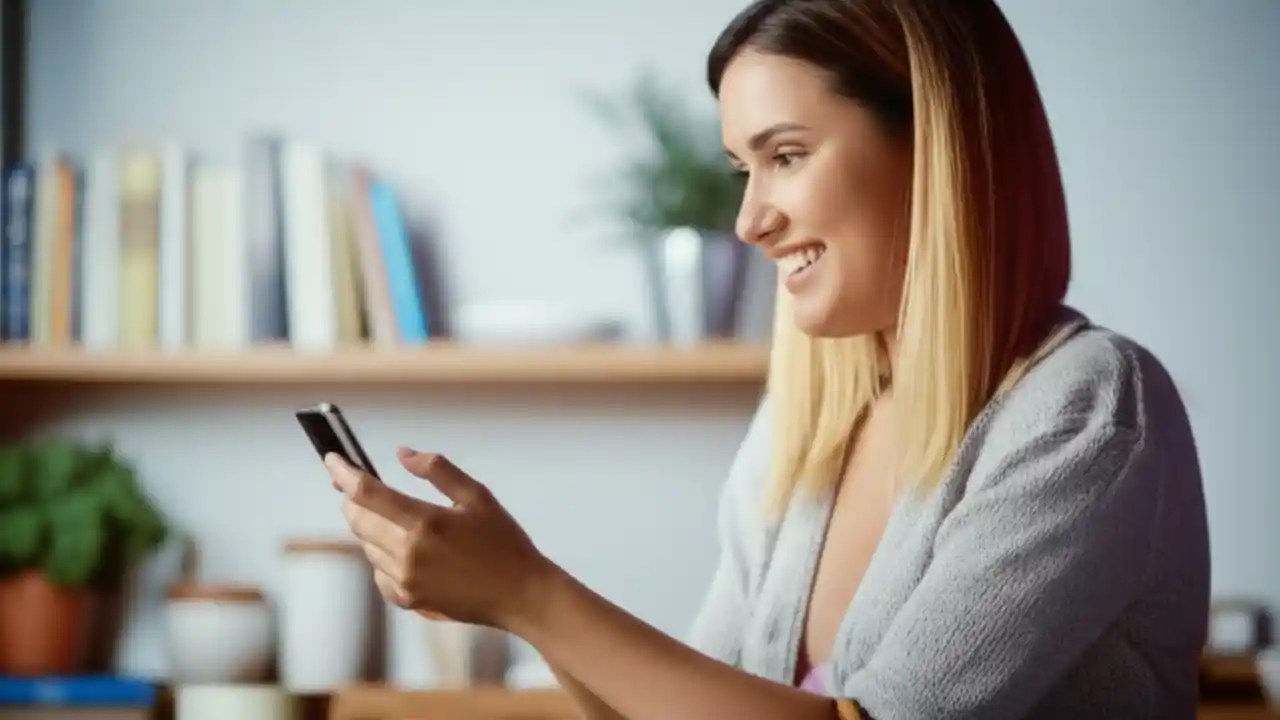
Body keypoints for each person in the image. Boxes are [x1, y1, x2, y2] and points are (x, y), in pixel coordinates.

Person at [322, 0, 1210, 717]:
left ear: (935, 150)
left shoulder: (1088, 407)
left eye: (786, 156)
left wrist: (531, 595)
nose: (750, 221)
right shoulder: (805, 426)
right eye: (744, 170)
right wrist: (508, 595)